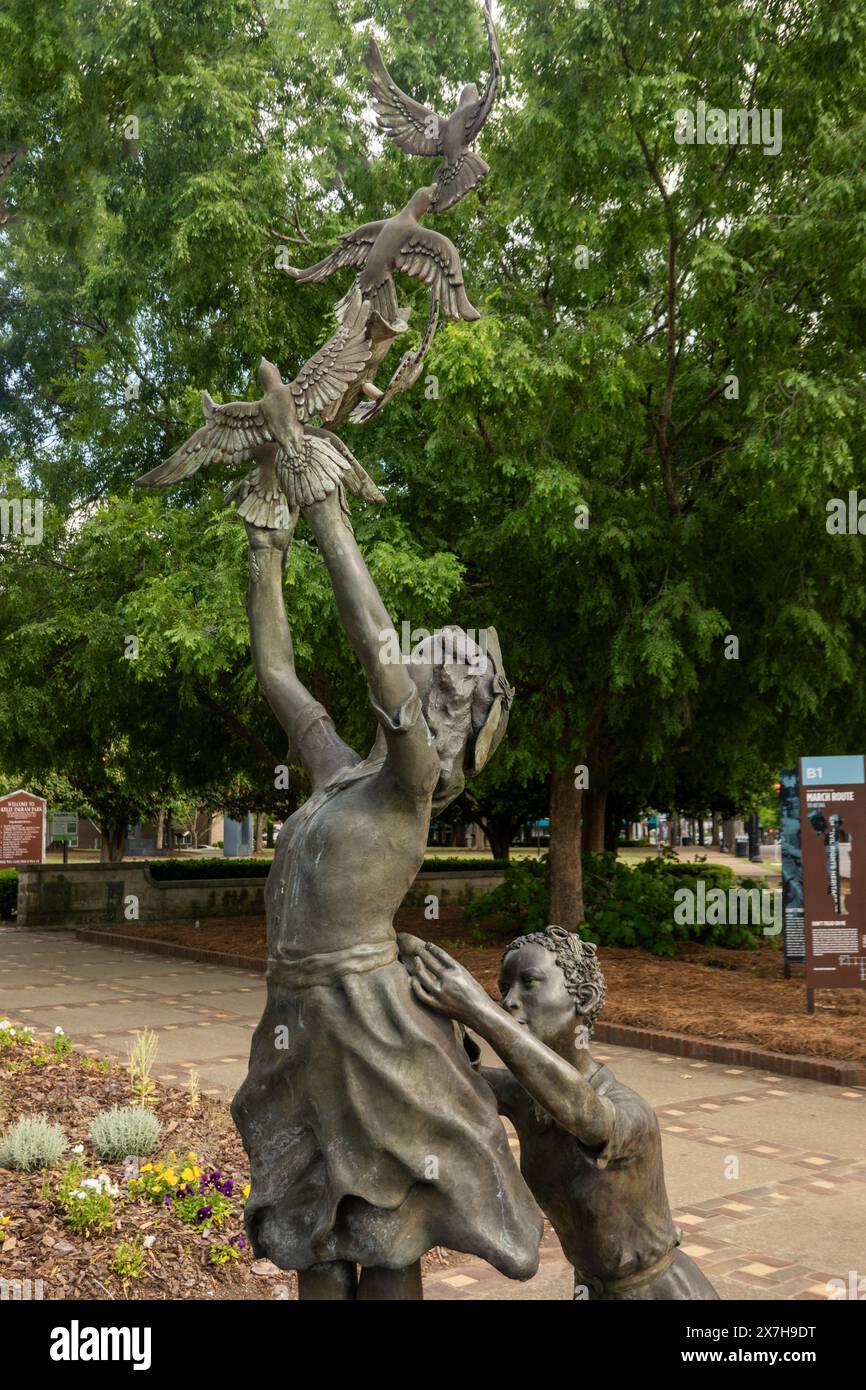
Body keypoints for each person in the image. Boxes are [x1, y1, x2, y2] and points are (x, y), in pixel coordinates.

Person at [231, 487, 543, 1300]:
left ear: (443, 709)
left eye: (430, 662)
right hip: (298, 1018)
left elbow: (373, 643)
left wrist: (327, 502)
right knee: (313, 1240)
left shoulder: (411, 783)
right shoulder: (340, 771)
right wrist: (268, 541)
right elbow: (275, 672)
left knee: (383, 1235)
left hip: (369, 1028)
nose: (405, 658)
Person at [404, 926, 719, 1300]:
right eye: (503, 989)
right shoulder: (525, 1097)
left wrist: (479, 1009)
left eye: (529, 983)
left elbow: (583, 1114)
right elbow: (446, 1080)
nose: (509, 1001)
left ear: (582, 999)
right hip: (589, 1289)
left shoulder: (628, 1112)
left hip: (658, 1292)